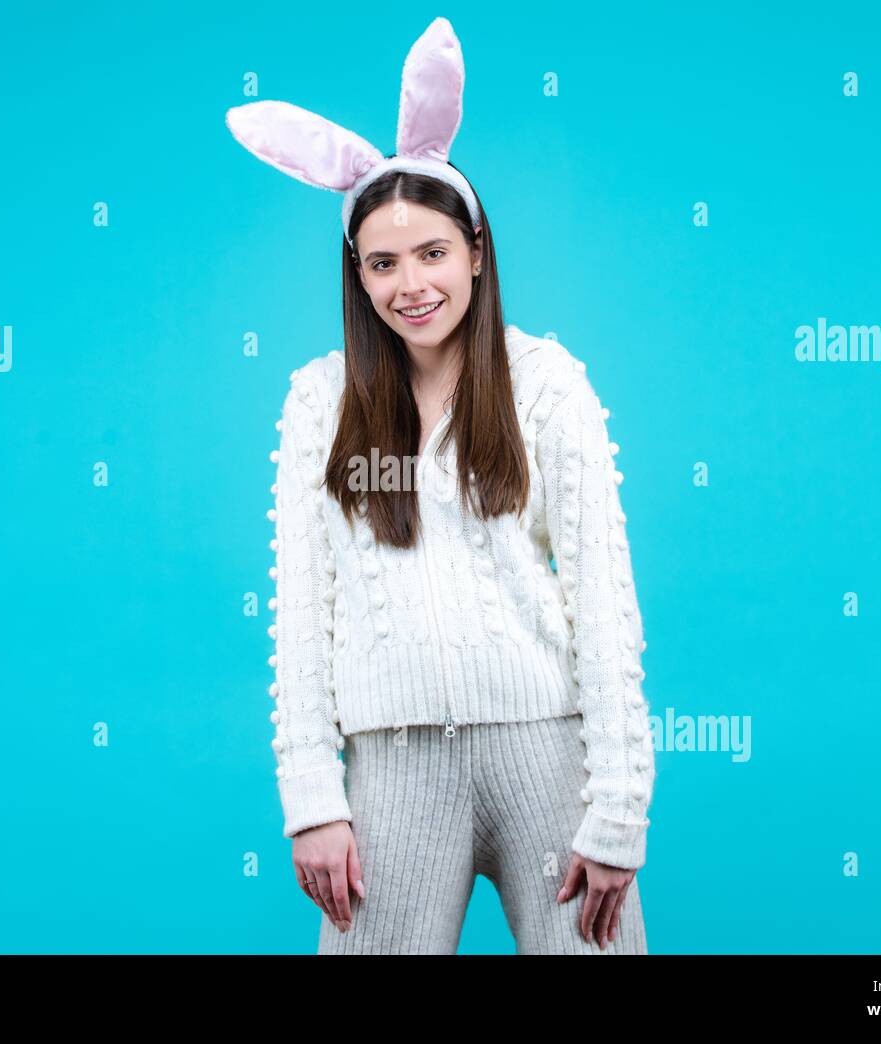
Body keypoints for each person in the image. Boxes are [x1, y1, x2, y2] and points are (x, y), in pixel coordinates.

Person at [231, 17, 655, 955]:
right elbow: (303, 615)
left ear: (475, 251)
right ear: (358, 274)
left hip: (546, 756)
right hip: (390, 771)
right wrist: (312, 800)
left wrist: (619, 808)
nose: (410, 284)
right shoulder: (318, 400)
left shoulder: (546, 382)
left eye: (431, 253)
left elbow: (604, 602)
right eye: (383, 263)